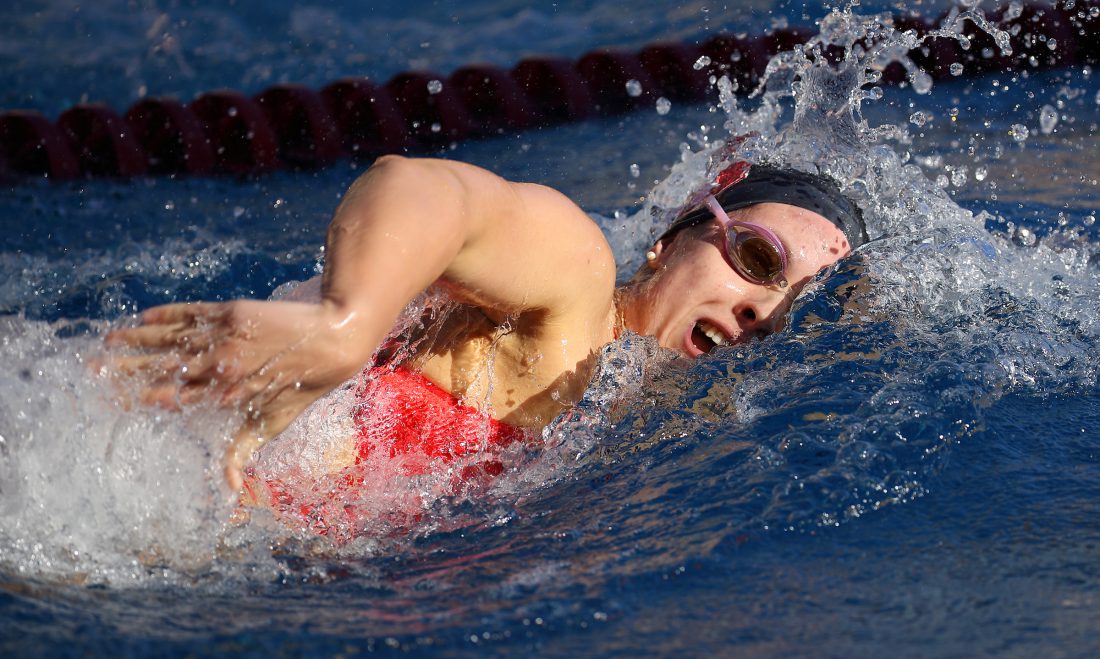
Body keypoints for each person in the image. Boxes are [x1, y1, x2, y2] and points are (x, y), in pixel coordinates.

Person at [105, 154, 865, 537]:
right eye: (758, 258)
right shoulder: (575, 289)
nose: (761, 310)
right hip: (146, 483)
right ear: (672, 239)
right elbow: (422, 187)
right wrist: (347, 325)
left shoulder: (654, 430)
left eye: (789, 307)